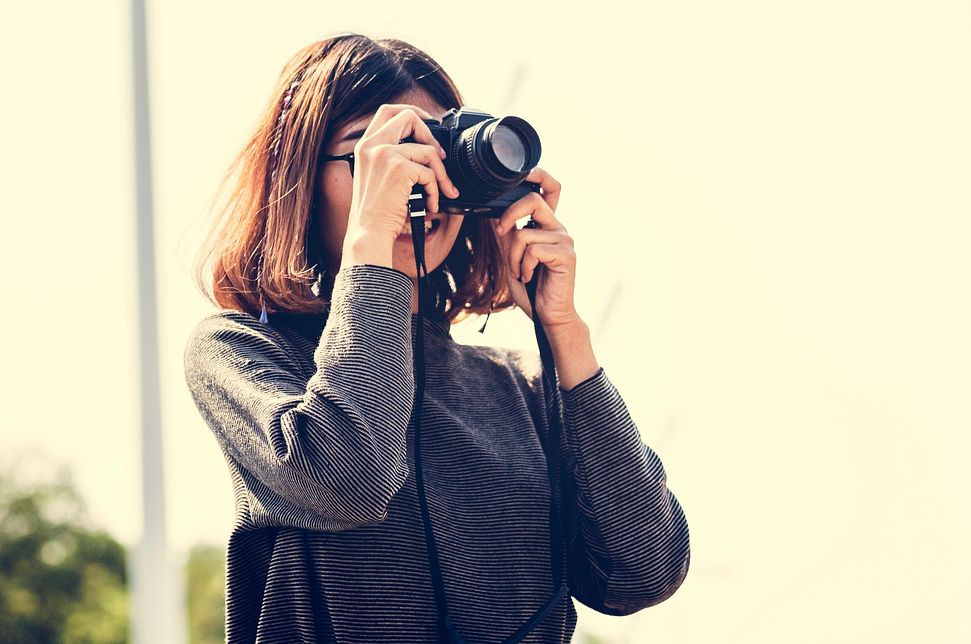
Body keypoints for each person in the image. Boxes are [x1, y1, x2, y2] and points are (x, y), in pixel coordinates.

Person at [183, 33, 690, 643]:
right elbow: (347, 481)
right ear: (299, 178)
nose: (415, 177)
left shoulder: (523, 385)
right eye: (378, 153)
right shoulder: (241, 350)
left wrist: (566, 337)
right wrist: (375, 244)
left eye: (435, 149)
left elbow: (645, 571)